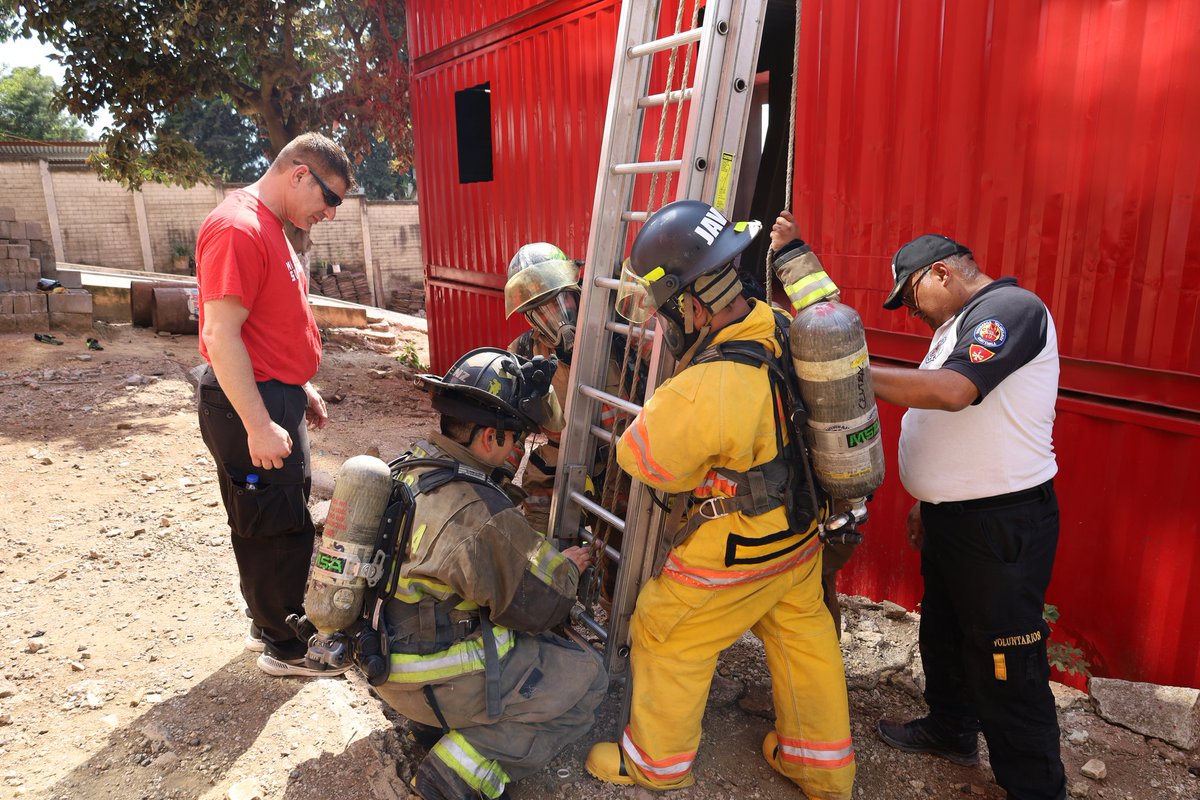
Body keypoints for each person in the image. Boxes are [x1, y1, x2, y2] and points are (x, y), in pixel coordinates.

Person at [586, 200, 855, 799]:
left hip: (740, 548)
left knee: (667, 629)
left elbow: (645, 460)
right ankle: (823, 770)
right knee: (802, 637)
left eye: (668, 309)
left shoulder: (710, 382)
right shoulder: (779, 325)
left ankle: (655, 766)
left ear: (692, 303)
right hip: (800, 536)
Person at [871, 234, 1066, 800]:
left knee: (1006, 658)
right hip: (955, 517)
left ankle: (1034, 788)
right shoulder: (956, 325)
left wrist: (850, 372)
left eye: (910, 297)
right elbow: (959, 425)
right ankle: (951, 728)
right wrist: (929, 497)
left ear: (940, 273)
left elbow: (956, 392)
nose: (910, 312)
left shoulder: (1012, 309)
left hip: (1000, 523)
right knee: (945, 631)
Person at [374, 347, 607, 800]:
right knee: (588, 678)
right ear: (489, 437)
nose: (518, 450)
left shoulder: (410, 467)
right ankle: (457, 770)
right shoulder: (478, 511)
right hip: (429, 681)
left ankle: (435, 726)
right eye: (516, 439)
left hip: (385, 661)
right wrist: (565, 569)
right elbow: (539, 607)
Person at [195, 132, 353, 678]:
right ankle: (287, 647)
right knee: (276, 528)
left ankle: (267, 624)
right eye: (329, 198)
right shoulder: (238, 228)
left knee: (271, 516)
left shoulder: (270, 226)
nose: (330, 213)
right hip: (251, 402)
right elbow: (221, 334)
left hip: (270, 392)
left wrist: (297, 385)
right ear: (299, 174)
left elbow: (266, 323)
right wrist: (258, 423)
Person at [766, 209, 862, 636]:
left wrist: (791, 252)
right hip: (809, 492)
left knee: (813, 589)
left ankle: (815, 662)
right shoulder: (782, 333)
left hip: (813, 492)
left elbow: (824, 310)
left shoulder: (802, 335)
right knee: (811, 590)